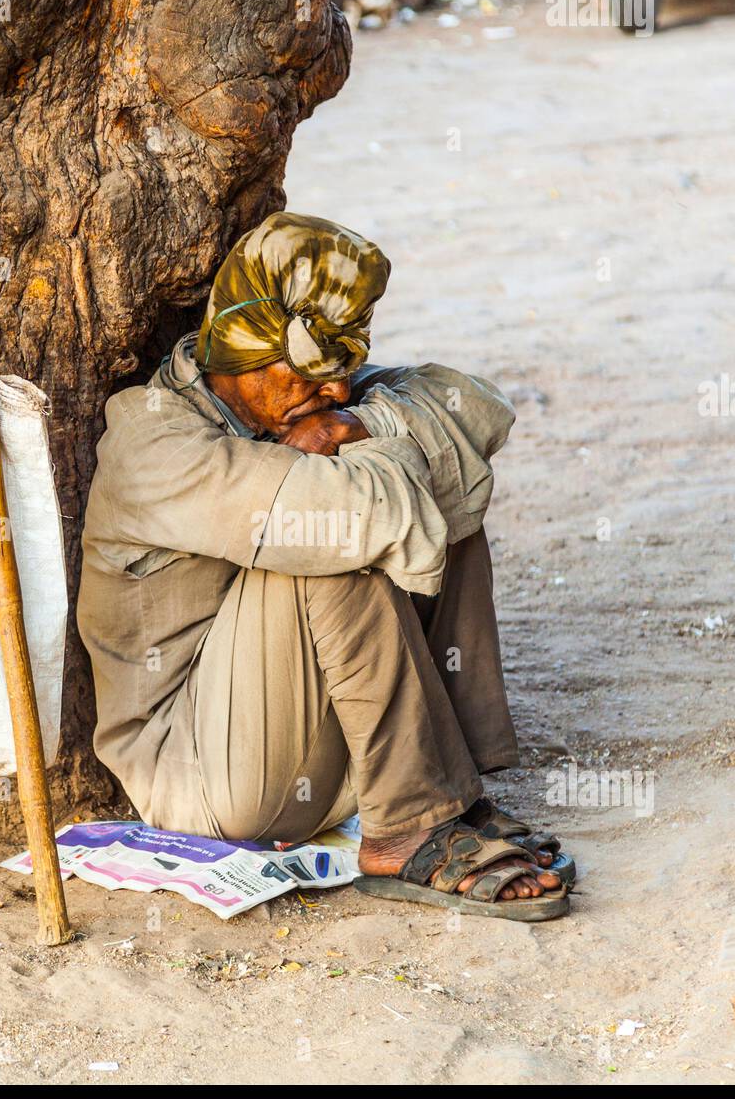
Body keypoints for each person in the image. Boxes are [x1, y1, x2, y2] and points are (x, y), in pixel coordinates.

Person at [77, 211, 575, 921]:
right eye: (317, 377)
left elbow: (481, 408)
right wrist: (389, 449)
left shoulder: (304, 398)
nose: (338, 392)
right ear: (248, 351)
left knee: (433, 488)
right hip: (205, 772)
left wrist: (364, 426)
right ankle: (407, 828)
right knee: (340, 526)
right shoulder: (155, 442)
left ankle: (454, 791)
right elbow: (355, 512)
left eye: (345, 373)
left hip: (303, 742)